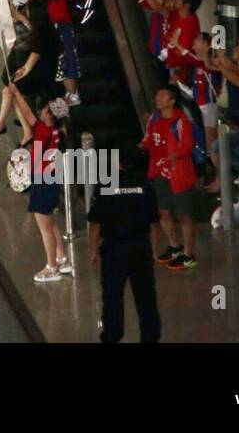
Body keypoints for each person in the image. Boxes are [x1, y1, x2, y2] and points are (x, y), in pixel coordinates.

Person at [88, 146, 161, 342]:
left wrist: (93, 251)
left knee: (112, 297)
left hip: (114, 248)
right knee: (146, 296)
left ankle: (112, 335)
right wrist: (154, 251)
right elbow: (154, 222)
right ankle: (150, 336)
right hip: (140, 246)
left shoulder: (105, 185)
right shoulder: (144, 184)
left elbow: (95, 224)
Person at [0, 0, 60, 142]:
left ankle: (4, 126)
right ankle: (21, 129)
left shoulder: (38, 7)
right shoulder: (29, 4)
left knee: (11, 89)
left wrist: (21, 18)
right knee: (9, 89)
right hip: (21, 50)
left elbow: (37, 32)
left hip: (31, 56)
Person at [10, 85, 73, 283]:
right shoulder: (57, 132)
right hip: (51, 179)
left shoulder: (44, 130)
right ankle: (62, 258)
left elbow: (27, 113)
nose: (42, 111)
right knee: (51, 222)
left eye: (46, 109)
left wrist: (17, 94)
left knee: (45, 227)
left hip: (43, 180)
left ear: (50, 115)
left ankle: (51, 267)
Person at [141, 87, 198, 270]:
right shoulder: (154, 119)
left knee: (183, 214)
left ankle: (189, 255)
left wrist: (174, 155)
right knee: (164, 212)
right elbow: (149, 139)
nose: (157, 98)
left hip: (178, 174)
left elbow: (188, 146)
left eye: (162, 95)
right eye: (157, 95)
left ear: (172, 100)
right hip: (159, 173)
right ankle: (175, 247)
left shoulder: (181, 122)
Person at [34, 0, 81, 106]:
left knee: (67, 58)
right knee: (59, 59)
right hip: (54, 25)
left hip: (63, 24)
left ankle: (74, 95)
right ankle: (67, 94)